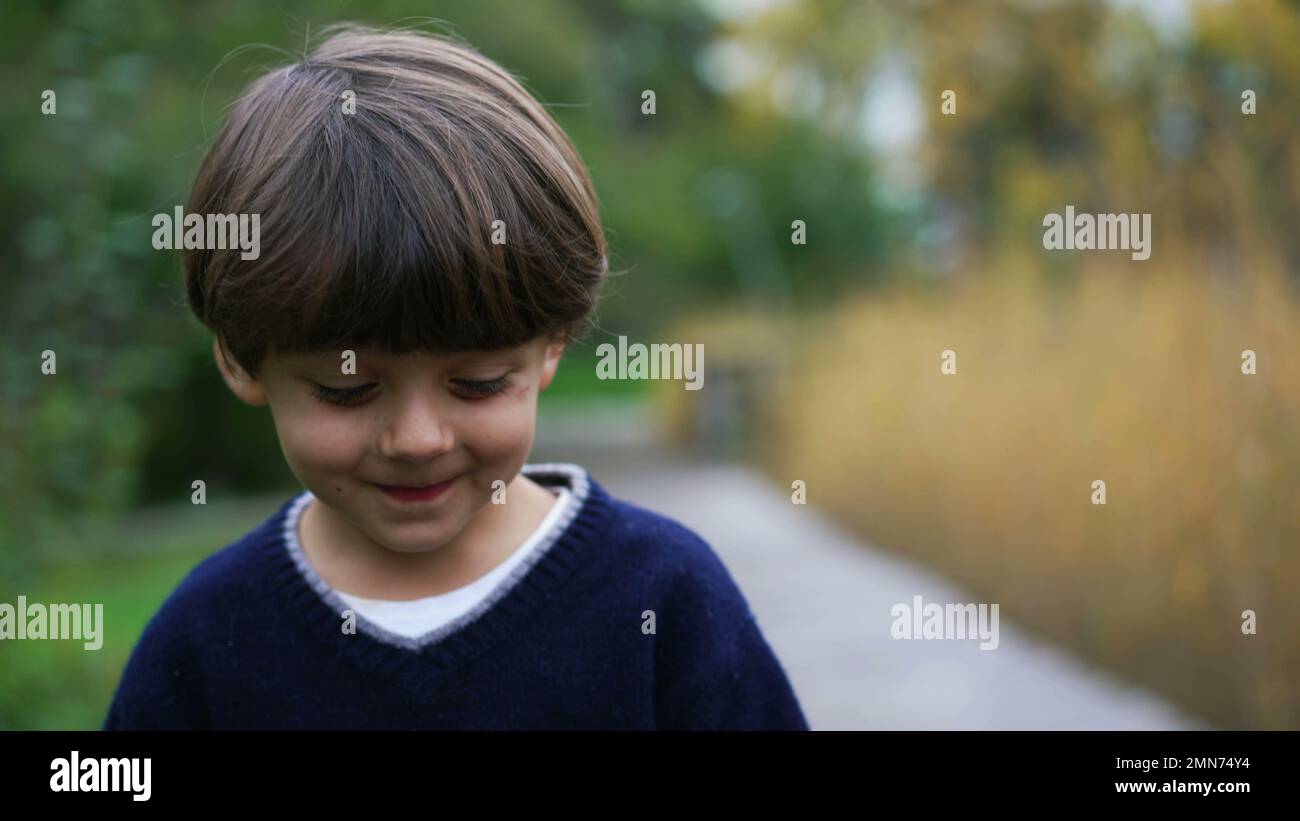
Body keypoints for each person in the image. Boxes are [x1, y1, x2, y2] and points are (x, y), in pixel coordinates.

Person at [103, 24, 808, 730]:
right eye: (347, 389)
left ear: (553, 343)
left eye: (478, 382)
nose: (416, 438)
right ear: (238, 356)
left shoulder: (664, 598)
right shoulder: (208, 639)